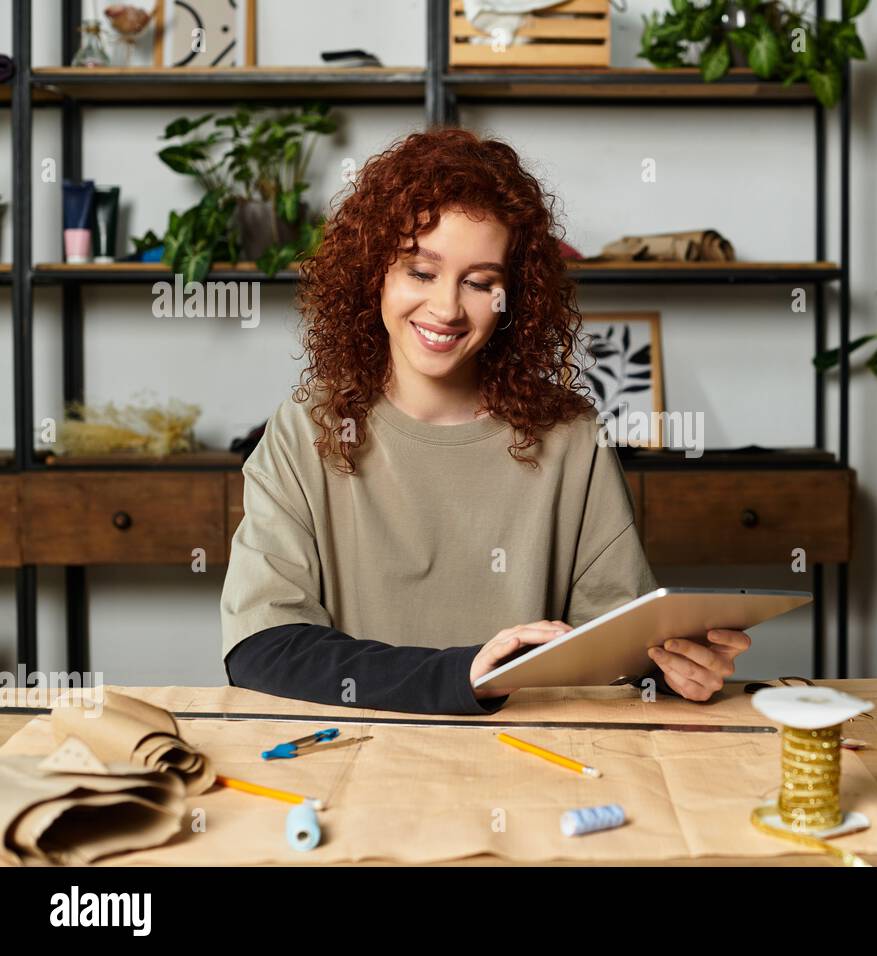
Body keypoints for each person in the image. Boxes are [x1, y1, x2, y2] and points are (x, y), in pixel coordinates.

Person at [219, 127, 751, 715]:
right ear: (374, 274)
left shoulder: (571, 435)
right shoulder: (305, 428)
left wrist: (669, 666)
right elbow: (263, 649)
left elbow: (615, 643)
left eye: (480, 283)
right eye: (420, 273)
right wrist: (463, 675)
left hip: (531, 762)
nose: (446, 308)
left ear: (514, 300)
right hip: (357, 760)